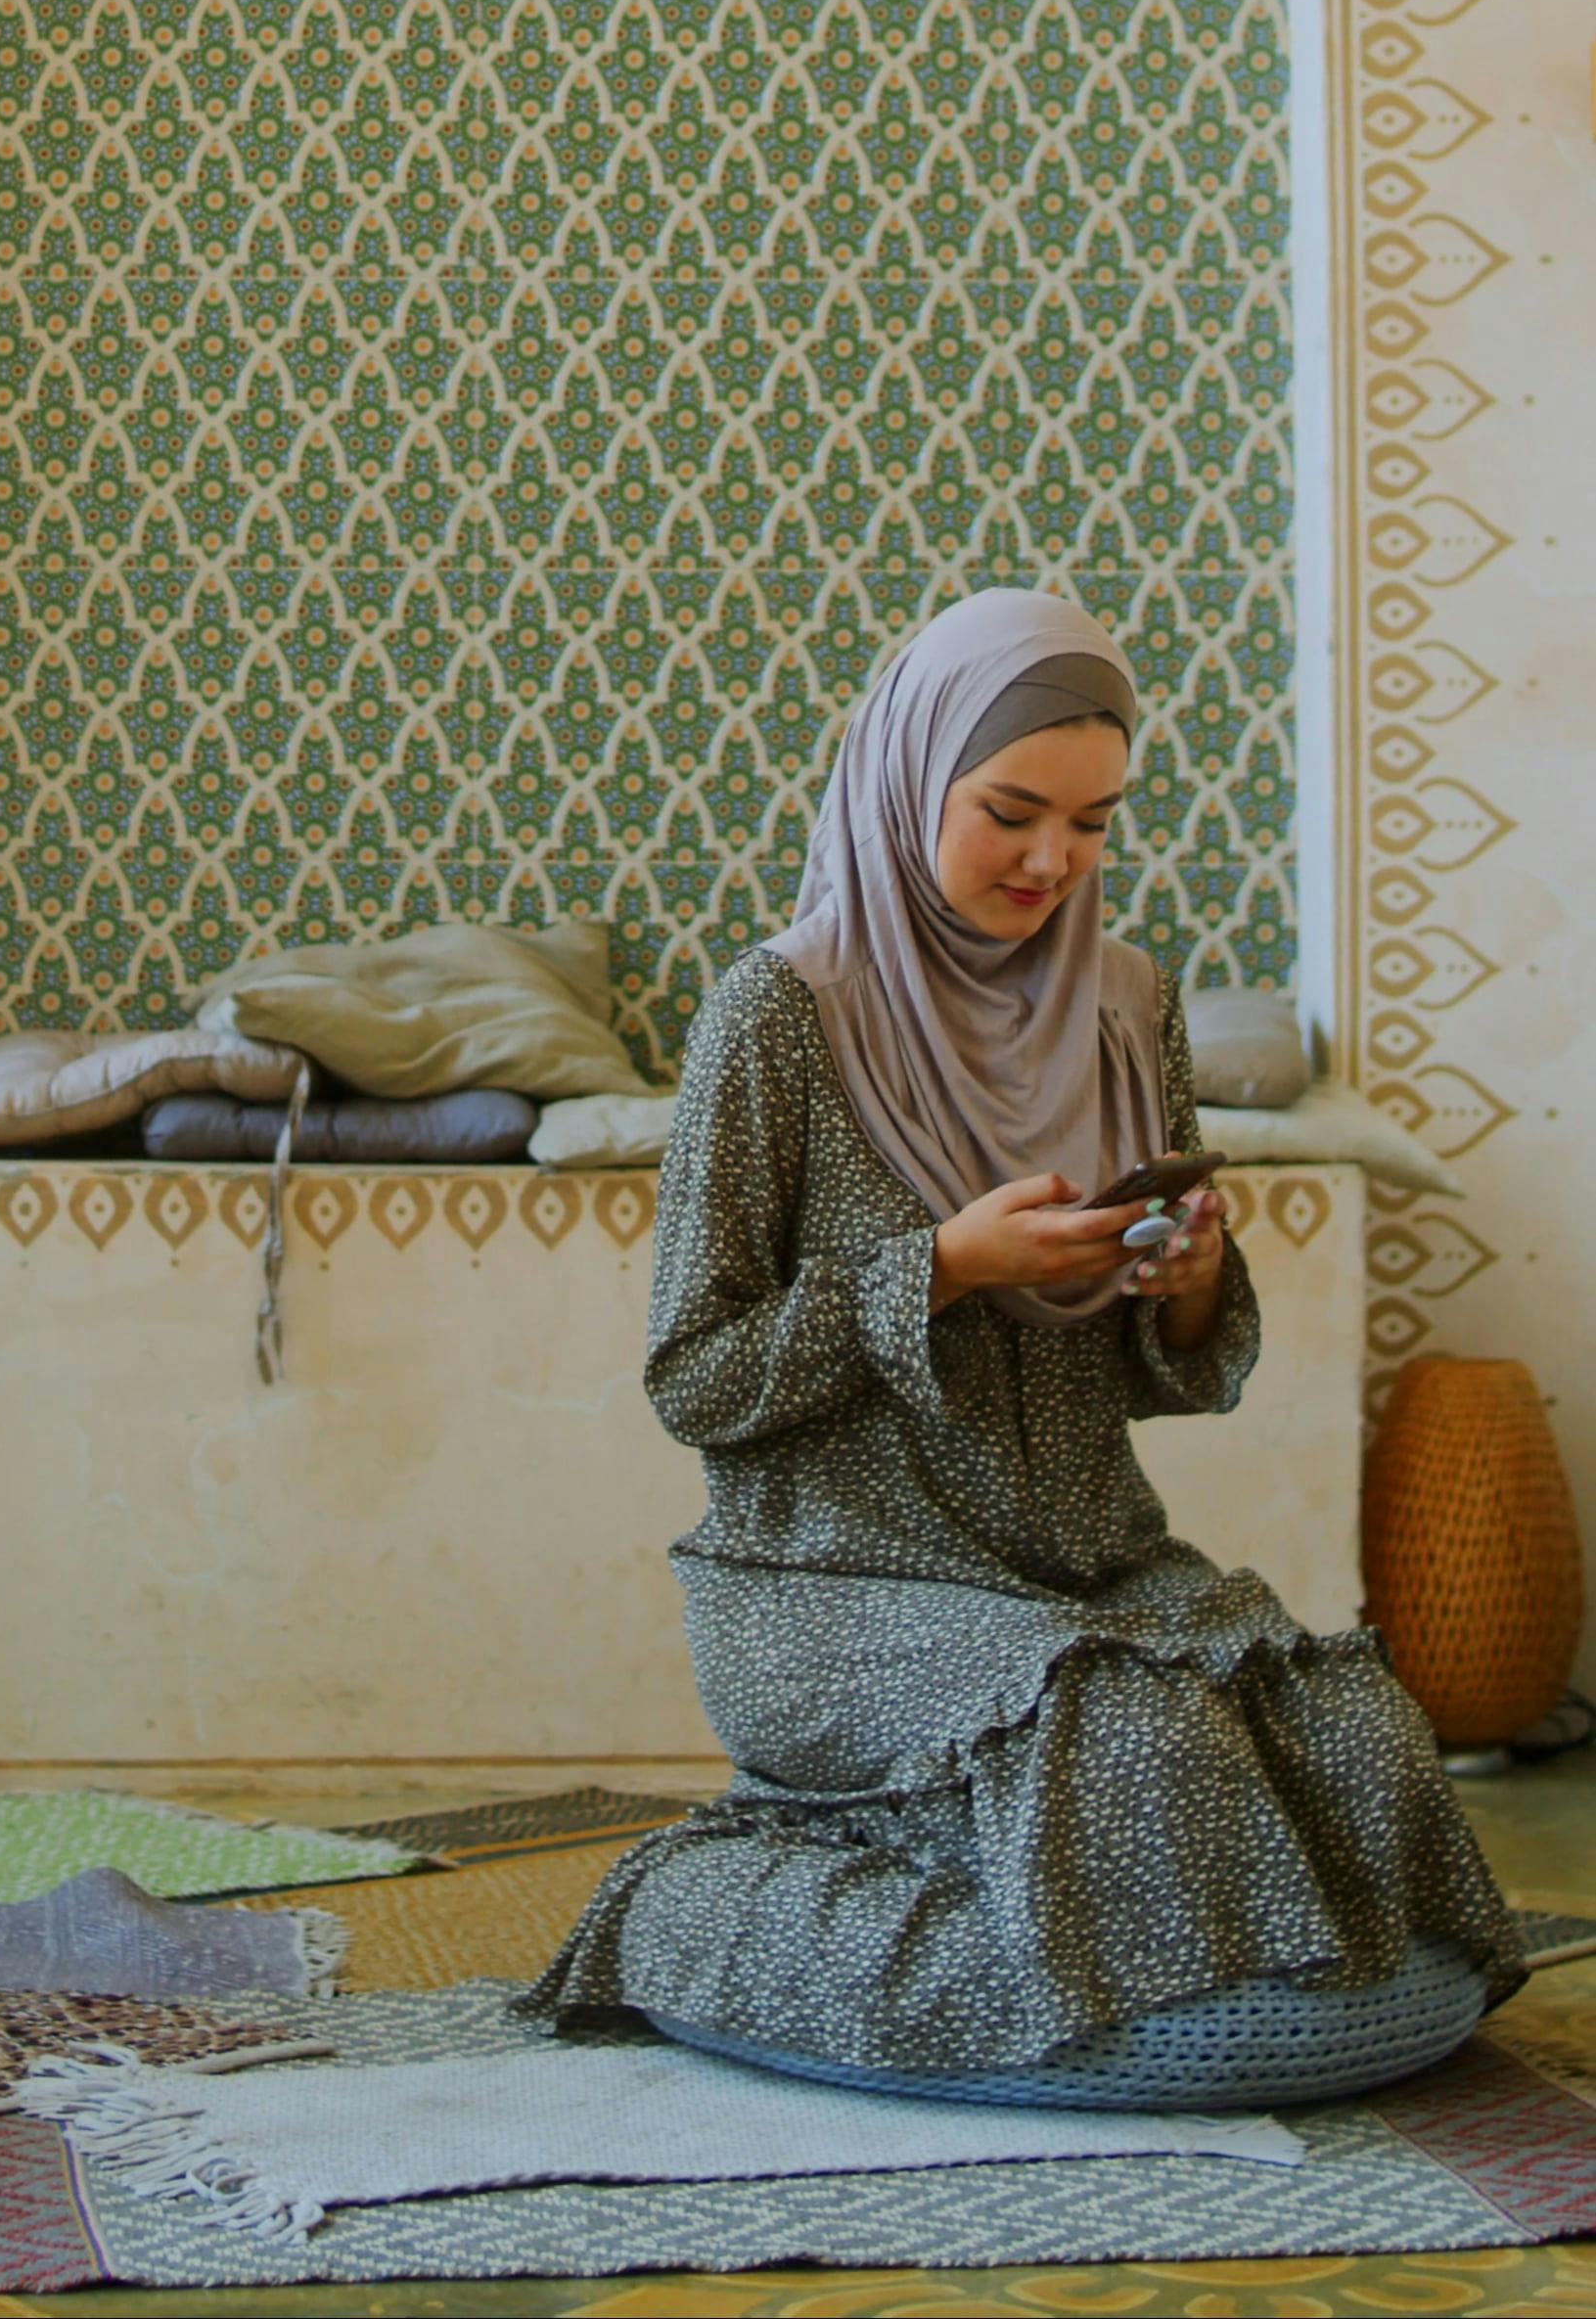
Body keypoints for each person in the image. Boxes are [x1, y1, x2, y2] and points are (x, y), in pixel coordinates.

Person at [527, 588, 1522, 2109]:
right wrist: (939, 1267)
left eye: (1093, 823)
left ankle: (1086, 1952)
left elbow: (1158, 1366)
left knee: (1347, 1723)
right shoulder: (776, 1014)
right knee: (1124, 1737)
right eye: (1008, 812)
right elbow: (697, 1378)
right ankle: (683, 1915)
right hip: (837, 1592)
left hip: (1086, 1572)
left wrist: (1182, 1278)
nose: (1051, 863)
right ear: (905, 772)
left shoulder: (1125, 1008)